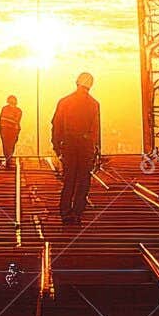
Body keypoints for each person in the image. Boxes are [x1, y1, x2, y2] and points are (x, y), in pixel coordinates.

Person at [51, 72, 101, 225]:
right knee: (84, 179)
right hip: (85, 145)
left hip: (69, 143)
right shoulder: (94, 104)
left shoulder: (65, 102)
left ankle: (66, 212)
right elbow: (95, 129)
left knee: (69, 179)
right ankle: (78, 212)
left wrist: (56, 145)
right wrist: (96, 149)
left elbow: (56, 125)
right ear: (90, 86)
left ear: (76, 83)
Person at [0, 95, 23, 166]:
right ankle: (8, 158)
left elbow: (16, 120)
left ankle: (8, 158)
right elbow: (2, 118)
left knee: (9, 145)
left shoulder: (18, 111)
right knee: (7, 145)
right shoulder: (5, 109)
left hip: (12, 130)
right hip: (6, 130)